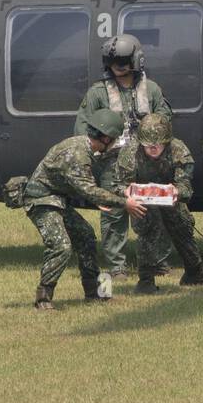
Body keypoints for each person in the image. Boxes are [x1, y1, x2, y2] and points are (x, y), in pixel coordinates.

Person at [74, 34, 174, 279]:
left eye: (123, 60)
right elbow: (82, 127)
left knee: (153, 209)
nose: (118, 65)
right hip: (112, 163)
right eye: (114, 60)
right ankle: (117, 266)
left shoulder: (150, 90)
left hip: (145, 161)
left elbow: (165, 119)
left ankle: (156, 260)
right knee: (114, 213)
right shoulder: (98, 93)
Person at [25, 109, 143, 310]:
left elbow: (83, 186)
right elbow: (89, 190)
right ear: (105, 138)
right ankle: (43, 297)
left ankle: (94, 293)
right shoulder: (77, 153)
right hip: (42, 201)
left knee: (86, 236)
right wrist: (125, 203)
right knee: (61, 246)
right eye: (114, 139)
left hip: (59, 200)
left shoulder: (84, 147)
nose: (115, 144)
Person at [110, 113, 203, 294]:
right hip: (142, 201)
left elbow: (186, 187)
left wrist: (177, 191)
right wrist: (127, 191)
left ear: (167, 140)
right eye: (148, 145)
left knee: (183, 226)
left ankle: (195, 273)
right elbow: (117, 186)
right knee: (148, 227)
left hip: (171, 199)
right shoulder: (129, 153)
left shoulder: (179, 151)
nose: (153, 148)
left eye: (158, 144)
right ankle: (146, 281)